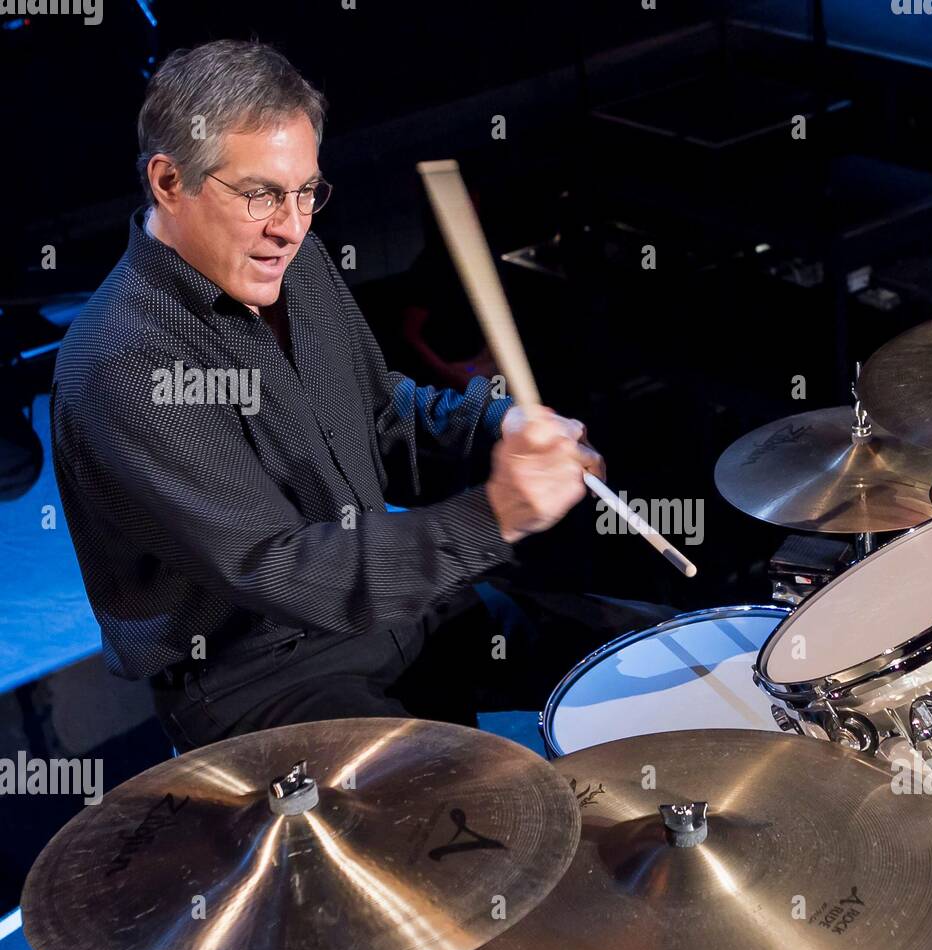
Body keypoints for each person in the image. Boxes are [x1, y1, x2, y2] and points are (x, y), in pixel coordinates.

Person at [51, 39, 669, 753]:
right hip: (259, 677)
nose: (291, 225)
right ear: (168, 182)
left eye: (307, 190)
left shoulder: (294, 262)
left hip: (391, 608)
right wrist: (492, 516)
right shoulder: (122, 363)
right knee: (458, 822)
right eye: (260, 194)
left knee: (648, 658)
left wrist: (502, 427)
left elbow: (381, 418)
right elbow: (288, 571)